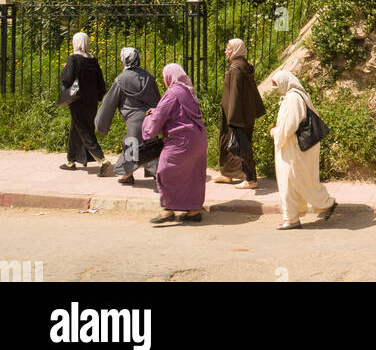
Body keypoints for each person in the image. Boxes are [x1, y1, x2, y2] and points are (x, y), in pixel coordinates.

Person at [141, 63, 208, 225]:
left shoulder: (172, 93)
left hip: (182, 141)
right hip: (198, 139)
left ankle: (168, 210)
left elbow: (159, 117)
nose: (164, 80)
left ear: (169, 77)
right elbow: (178, 113)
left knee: (164, 171)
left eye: (164, 76)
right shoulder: (188, 91)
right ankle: (193, 211)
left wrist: (149, 120)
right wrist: (157, 111)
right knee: (193, 174)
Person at [270, 70, 336, 231]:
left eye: (276, 85)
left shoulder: (293, 98)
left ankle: (296, 216)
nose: (276, 89)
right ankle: (296, 215)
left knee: (291, 181)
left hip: (293, 148)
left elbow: (291, 124)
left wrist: (276, 132)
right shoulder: (293, 96)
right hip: (292, 148)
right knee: (297, 181)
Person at [95, 47, 163, 187]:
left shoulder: (121, 79)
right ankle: (157, 174)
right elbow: (157, 100)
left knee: (131, 145)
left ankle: (127, 175)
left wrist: (100, 124)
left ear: (124, 60)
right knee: (151, 144)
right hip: (149, 118)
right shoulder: (148, 76)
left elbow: (109, 102)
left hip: (133, 121)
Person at [215, 38, 266, 190]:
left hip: (236, 116)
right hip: (240, 113)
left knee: (242, 146)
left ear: (236, 50)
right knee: (228, 143)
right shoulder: (242, 66)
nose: (226, 51)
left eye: (229, 49)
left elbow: (236, 95)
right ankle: (227, 174)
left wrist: (234, 120)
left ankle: (251, 180)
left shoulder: (236, 70)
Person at [58, 32, 106, 171]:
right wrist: (100, 97)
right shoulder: (93, 60)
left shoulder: (73, 59)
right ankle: (70, 161)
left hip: (77, 101)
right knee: (76, 128)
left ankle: (101, 160)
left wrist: (65, 67)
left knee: (84, 129)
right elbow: (100, 83)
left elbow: (66, 80)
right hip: (91, 102)